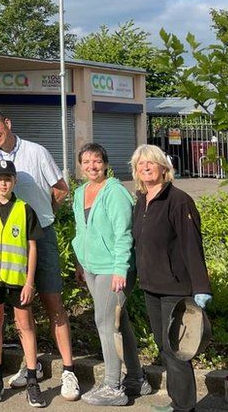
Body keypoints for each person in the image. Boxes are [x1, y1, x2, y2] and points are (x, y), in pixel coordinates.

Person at [0, 110, 79, 401]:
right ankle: (32, 367)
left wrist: (43, 216)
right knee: (20, 309)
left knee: (52, 300)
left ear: (8, 123)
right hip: (7, 246)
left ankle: (68, 371)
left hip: (39, 237)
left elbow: (60, 189)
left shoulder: (36, 152)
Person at [130, 144, 211, 412]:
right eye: (140, 164)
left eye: (150, 163)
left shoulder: (178, 200)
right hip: (151, 286)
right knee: (164, 346)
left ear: (164, 168)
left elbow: (191, 244)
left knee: (176, 349)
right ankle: (179, 402)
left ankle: (185, 407)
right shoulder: (142, 200)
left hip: (176, 287)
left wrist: (201, 286)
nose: (145, 167)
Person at [71, 143, 151, 405]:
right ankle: (136, 379)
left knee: (105, 323)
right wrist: (81, 264)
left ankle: (112, 386)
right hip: (93, 268)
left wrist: (120, 269)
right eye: (86, 162)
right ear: (80, 165)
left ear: (105, 164)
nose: (91, 166)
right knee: (119, 322)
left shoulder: (114, 191)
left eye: (96, 161)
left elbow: (123, 234)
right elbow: (81, 232)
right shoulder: (81, 192)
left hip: (113, 268)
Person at [0, 160, 46, 408]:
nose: (3, 182)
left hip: (17, 279)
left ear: (14, 181)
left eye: (8, 178)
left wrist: (29, 282)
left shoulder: (25, 210)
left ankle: (33, 381)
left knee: (25, 325)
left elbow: (32, 247)